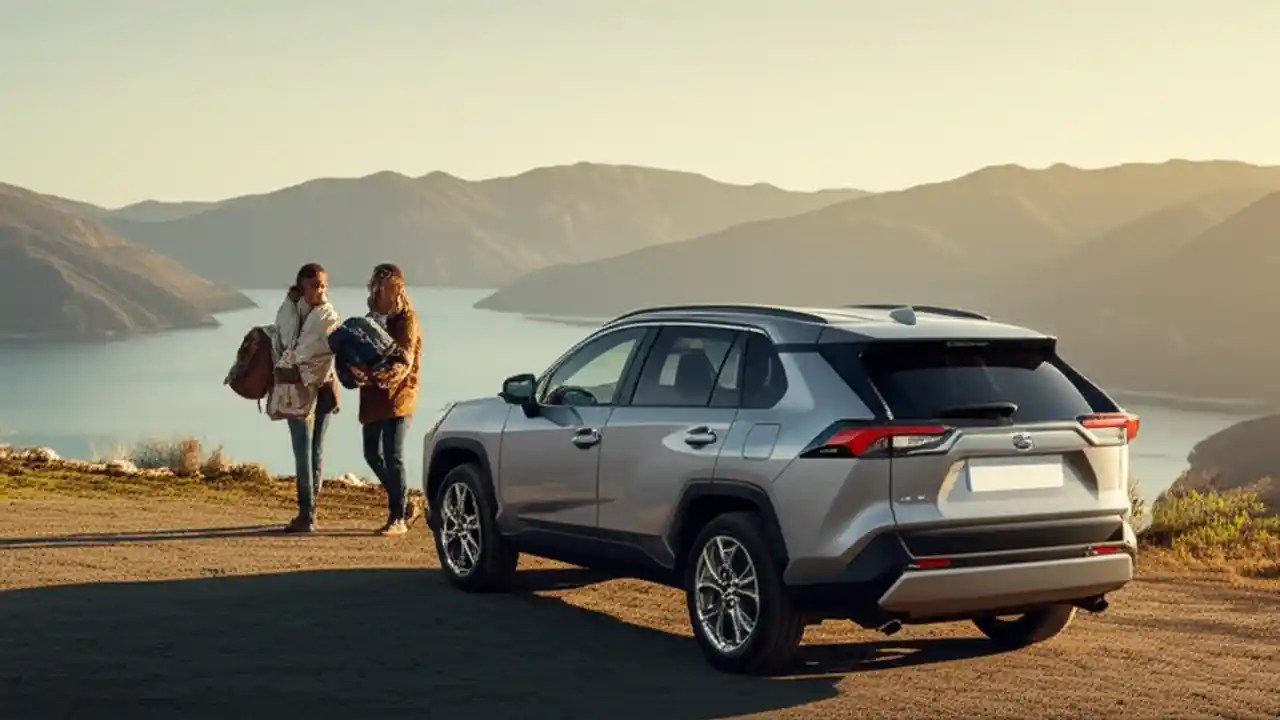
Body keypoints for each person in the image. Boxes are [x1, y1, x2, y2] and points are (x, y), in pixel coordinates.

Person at [348, 263, 423, 536]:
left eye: (385, 285)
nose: (379, 290)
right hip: (372, 397)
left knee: (394, 456)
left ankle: (397, 517)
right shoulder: (370, 317)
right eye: (376, 284)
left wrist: (376, 376)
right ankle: (405, 504)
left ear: (398, 288)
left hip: (399, 396)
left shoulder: (407, 320)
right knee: (371, 453)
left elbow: (404, 359)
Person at [275, 263, 341, 534]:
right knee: (304, 451)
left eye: (324, 285)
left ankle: (307, 514)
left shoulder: (327, 315)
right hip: (297, 389)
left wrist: (290, 366)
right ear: (302, 286)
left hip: (321, 389)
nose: (321, 290)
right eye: (315, 285)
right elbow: (282, 341)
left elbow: (306, 352)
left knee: (311, 451)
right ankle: (308, 511)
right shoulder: (289, 311)